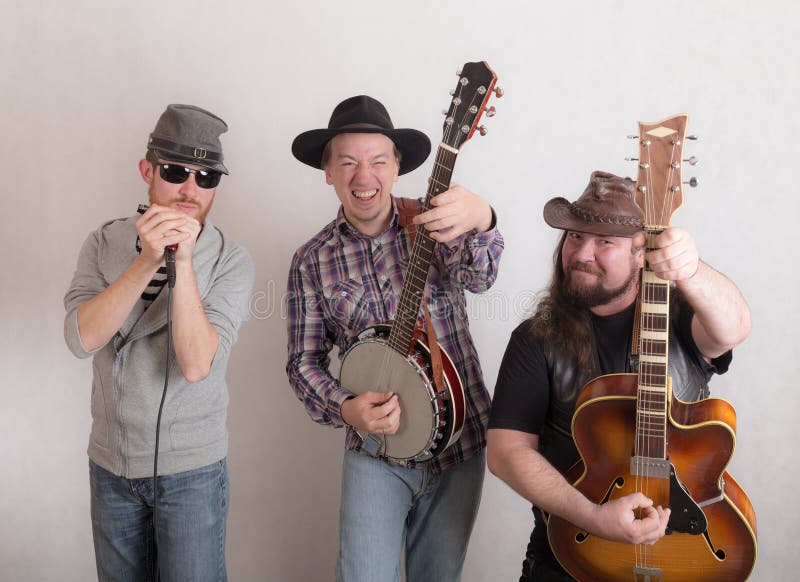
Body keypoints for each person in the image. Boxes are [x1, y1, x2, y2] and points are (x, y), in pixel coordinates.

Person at [486, 171, 751, 581]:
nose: (582, 253)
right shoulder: (535, 339)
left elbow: (734, 327)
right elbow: (506, 452)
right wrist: (592, 517)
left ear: (641, 253)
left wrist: (690, 269)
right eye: (575, 236)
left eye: (605, 242)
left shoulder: (679, 319)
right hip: (570, 555)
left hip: (688, 555)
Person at [286, 95, 504, 581]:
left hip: (460, 445)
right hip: (375, 451)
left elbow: (481, 276)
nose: (364, 176)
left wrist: (484, 218)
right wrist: (347, 408)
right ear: (327, 172)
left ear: (397, 166)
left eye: (378, 161)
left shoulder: (435, 222)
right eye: (347, 162)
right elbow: (303, 363)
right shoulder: (311, 261)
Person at [64, 104, 254, 582]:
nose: (190, 189)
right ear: (147, 171)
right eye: (174, 172)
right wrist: (147, 260)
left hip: (192, 472)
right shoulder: (102, 243)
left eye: (206, 177)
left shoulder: (230, 260)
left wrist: (182, 263)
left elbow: (195, 364)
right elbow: (81, 339)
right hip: (111, 465)